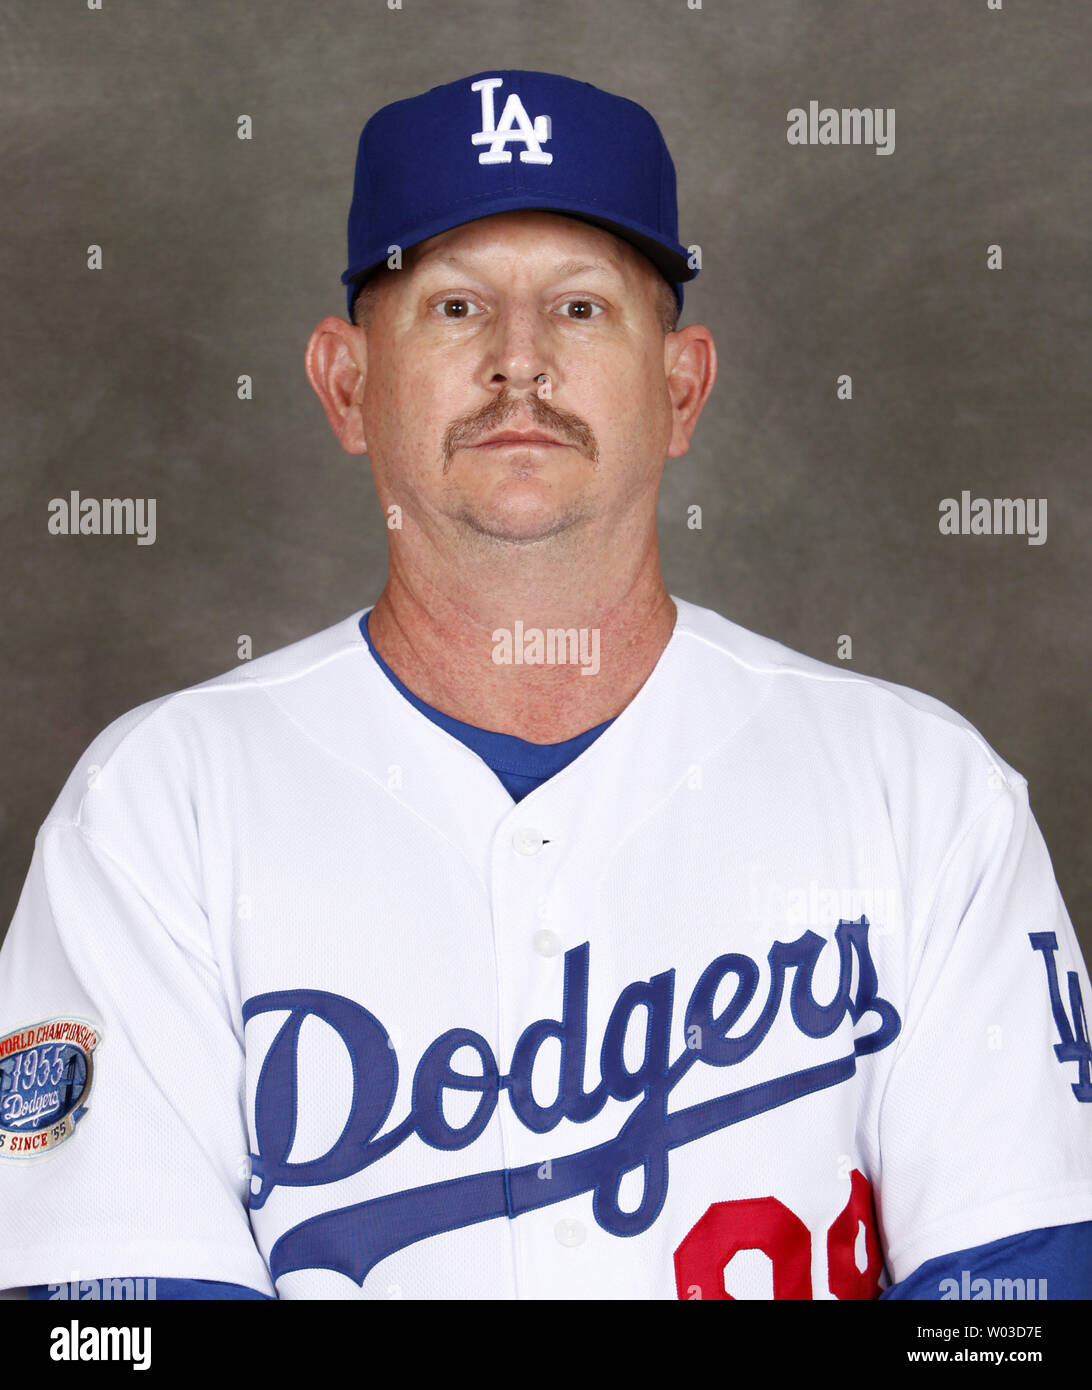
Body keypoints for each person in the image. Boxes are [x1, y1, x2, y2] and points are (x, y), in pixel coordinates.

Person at [2, 70, 1089, 1301]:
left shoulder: (927, 795)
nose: (520, 365)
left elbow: (1021, 1297)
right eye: (456, 307)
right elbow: (105, 1312)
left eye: (579, 310)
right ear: (345, 384)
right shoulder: (155, 810)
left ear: (680, 388)